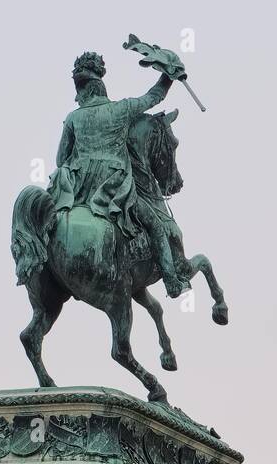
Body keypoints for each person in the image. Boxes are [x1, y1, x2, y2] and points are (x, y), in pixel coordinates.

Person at [47, 51, 190, 298]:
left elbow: (61, 160)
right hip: (113, 187)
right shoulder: (121, 109)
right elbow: (154, 96)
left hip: (79, 188)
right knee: (156, 226)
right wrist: (169, 75)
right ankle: (172, 282)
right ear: (100, 86)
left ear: (83, 90)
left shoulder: (73, 117)